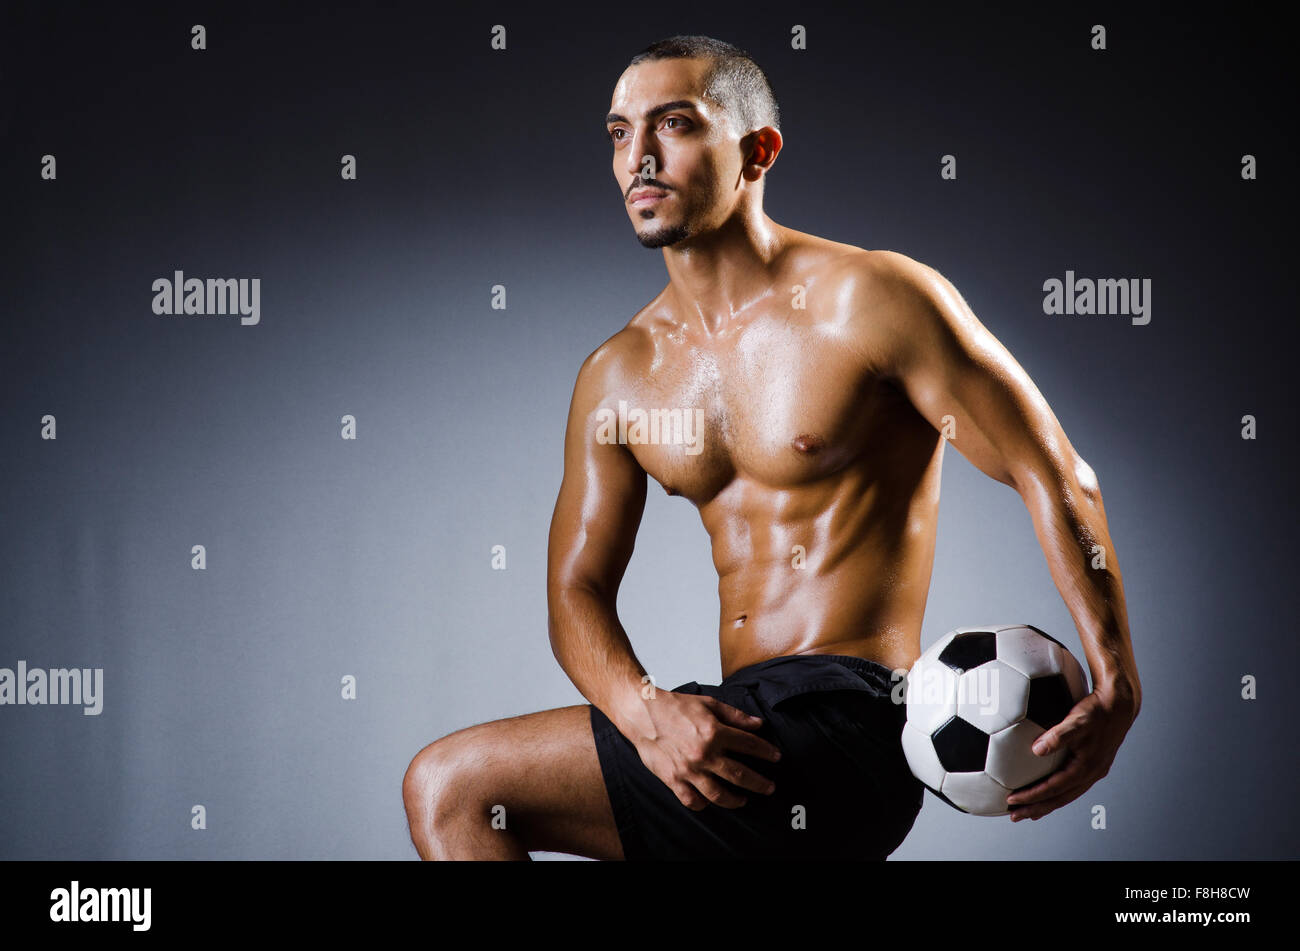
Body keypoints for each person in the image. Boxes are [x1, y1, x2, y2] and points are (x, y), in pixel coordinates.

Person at [402, 35, 1142, 860]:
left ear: (758, 152)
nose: (638, 157)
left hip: (846, 717)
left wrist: (1118, 683)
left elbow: (1056, 474)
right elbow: (575, 591)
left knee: (453, 786)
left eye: (673, 124)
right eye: (618, 132)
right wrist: (647, 713)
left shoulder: (870, 300)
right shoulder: (617, 375)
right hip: (742, 730)